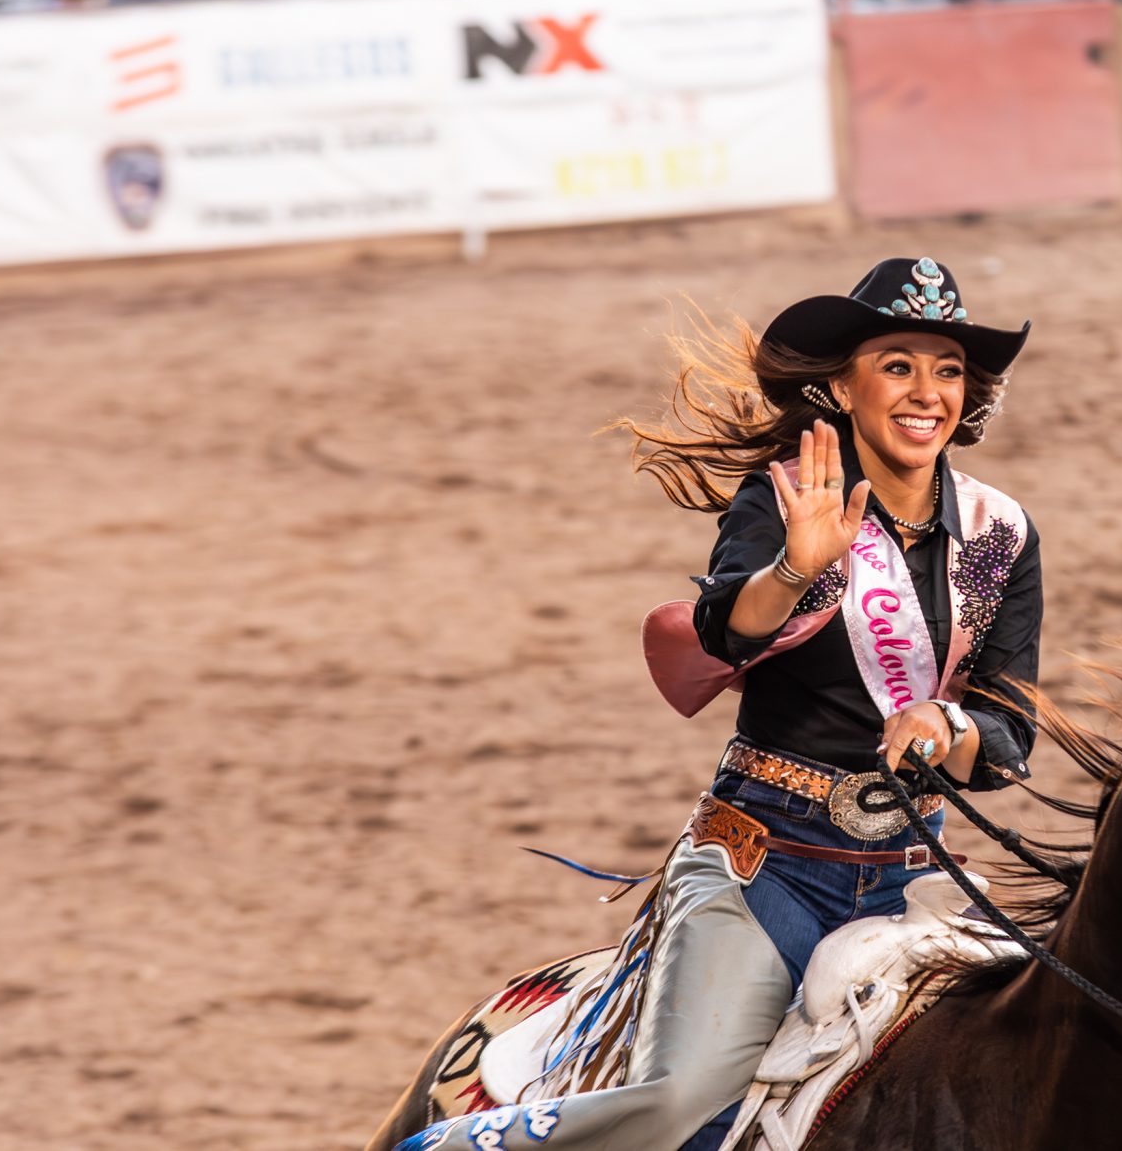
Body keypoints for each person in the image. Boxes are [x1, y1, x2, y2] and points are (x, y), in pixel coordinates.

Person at [396, 258, 1041, 1151]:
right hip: (761, 864)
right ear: (842, 385)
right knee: (684, 1099)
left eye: (947, 368)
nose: (925, 391)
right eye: (896, 364)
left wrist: (950, 722)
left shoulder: (1001, 532)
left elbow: (1011, 740)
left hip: (911, 875)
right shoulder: (785, 498)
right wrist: (797, 567)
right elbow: (725, 631)